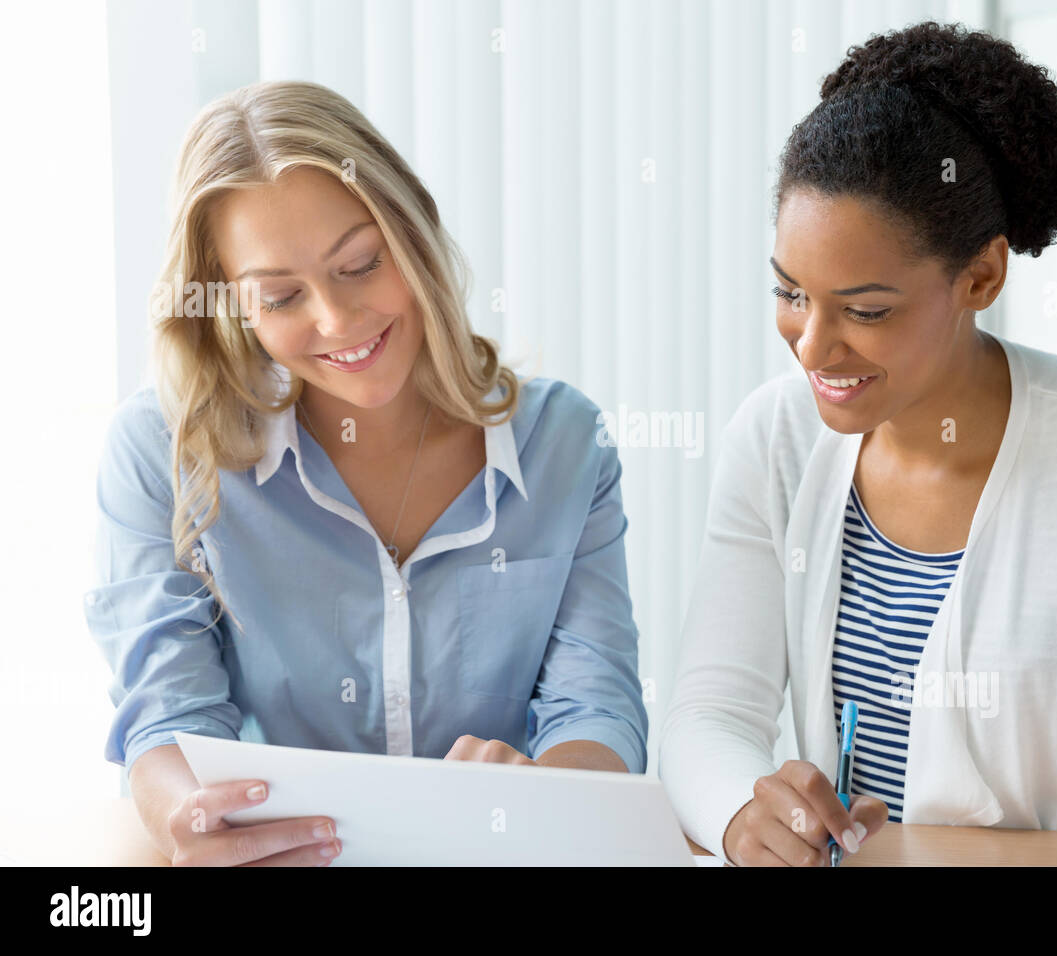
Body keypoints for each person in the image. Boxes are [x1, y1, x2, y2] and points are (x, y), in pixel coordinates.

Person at [659, 20, 1057, 866]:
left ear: (982, 277)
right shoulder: (775, 441)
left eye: (866, 310)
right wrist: (746, 812)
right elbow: (710, 713)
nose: (812, 347)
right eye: (789, 292)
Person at [85, 80, 647, 867]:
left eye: (360, 263)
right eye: (280, 296)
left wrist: (545, 801)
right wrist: (193, 818)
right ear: (231, 307)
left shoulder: (564, 443)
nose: (337, 320)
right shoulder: (158, 450)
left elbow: (600, 710)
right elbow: (168, 721)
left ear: (410, 232)